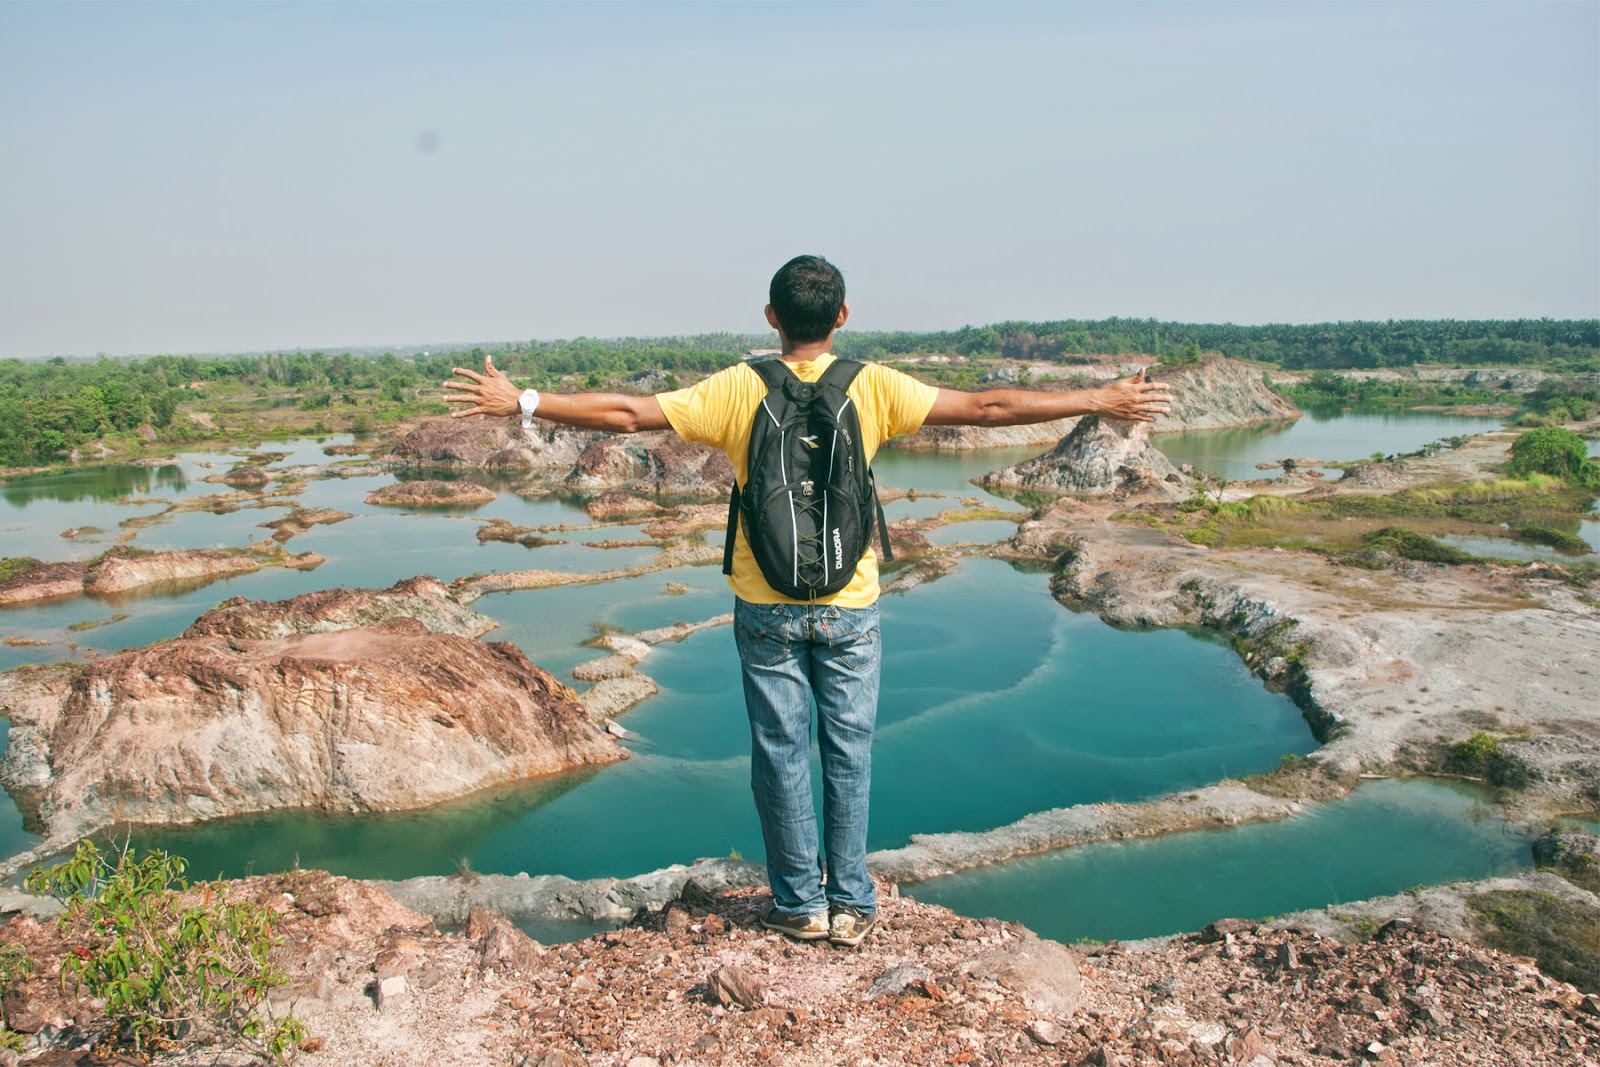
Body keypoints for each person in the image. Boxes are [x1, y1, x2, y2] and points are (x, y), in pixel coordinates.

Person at [444, 255, 1171, 946]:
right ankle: (851, 904)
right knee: (848, 753)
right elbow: (988, 406)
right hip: (851, 601)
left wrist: (523, 401)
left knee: (781, 752)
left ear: (771, 316)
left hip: (765, 601)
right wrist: (1100, 398)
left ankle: (799, 905)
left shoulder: (738, 388)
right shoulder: (873, 385)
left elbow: (630, 415)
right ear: (842, 315)